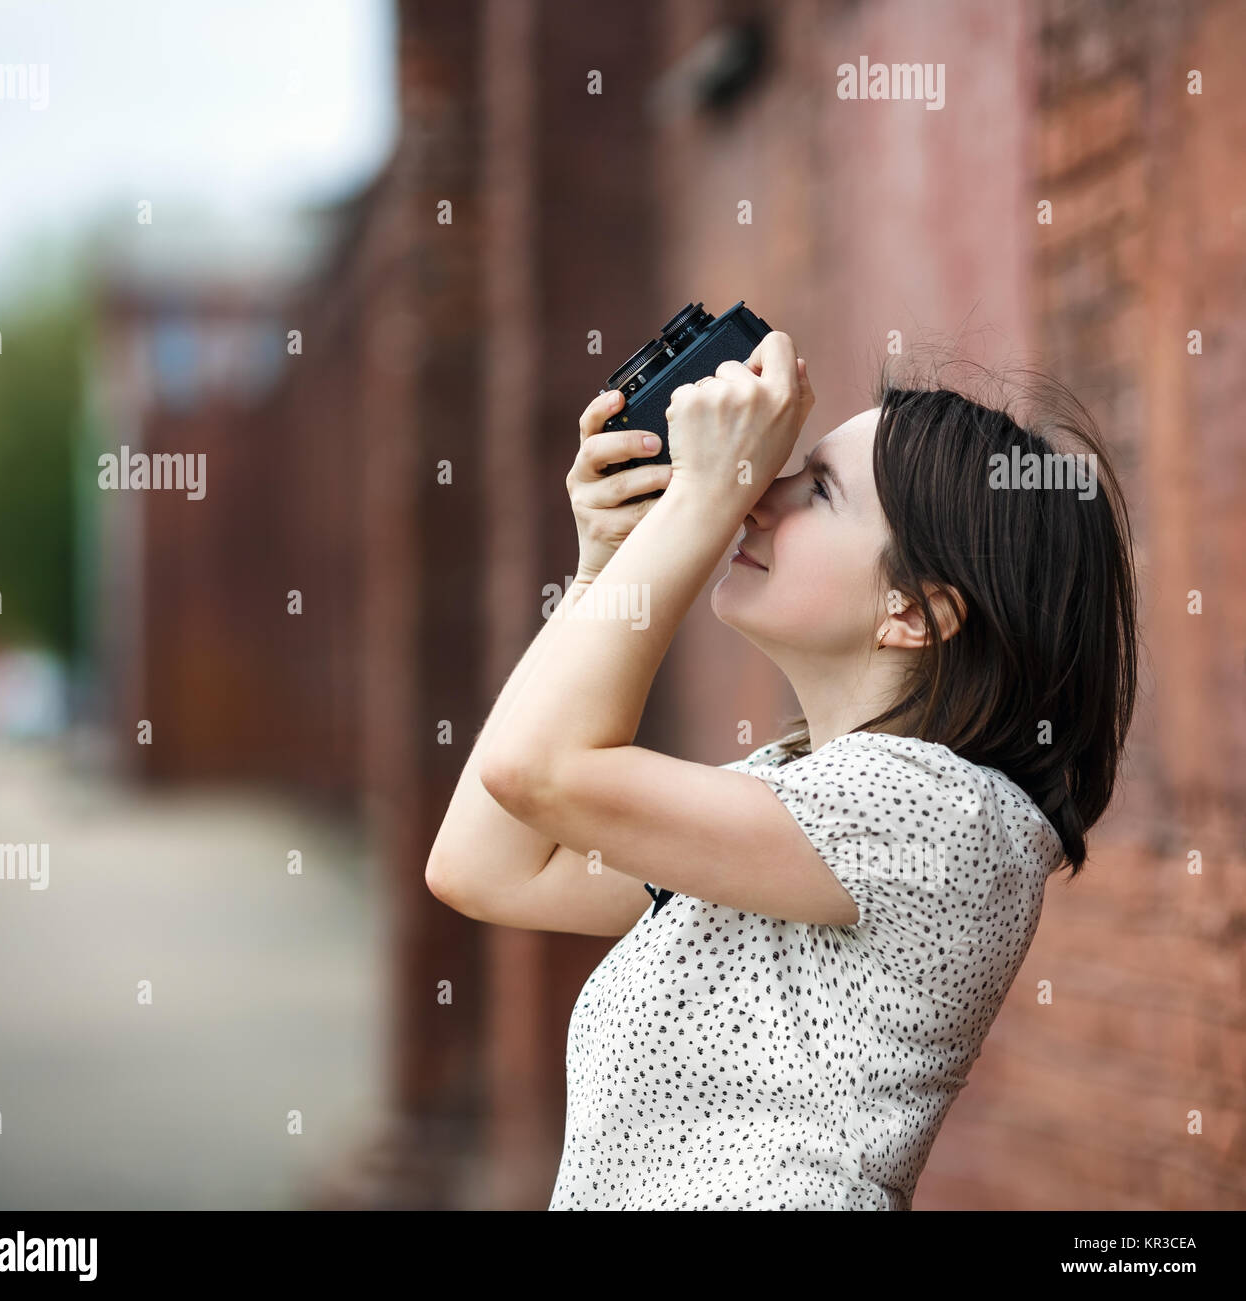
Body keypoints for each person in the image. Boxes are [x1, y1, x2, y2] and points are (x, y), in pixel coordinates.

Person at [425, 332, 1139, 1210]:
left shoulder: (947, 818)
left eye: (818, 490)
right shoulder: (791, 796)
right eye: (775, 473)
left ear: (915, 610)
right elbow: (486, 865)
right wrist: (606, 565)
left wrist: (698, 501)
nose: (758, 498)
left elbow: (538, 770)